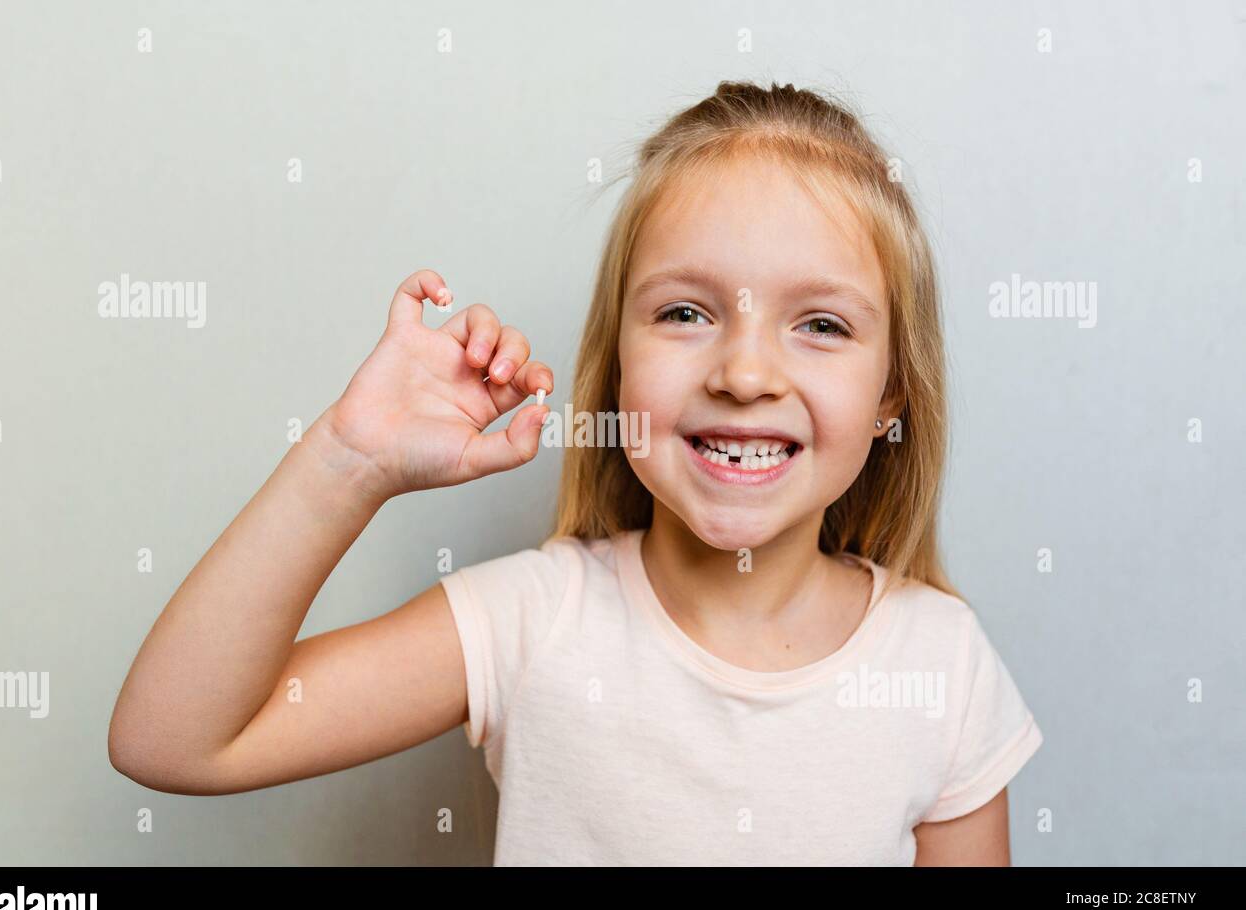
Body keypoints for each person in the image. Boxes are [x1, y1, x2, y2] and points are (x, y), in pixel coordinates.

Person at [108, 80, 1043, 866]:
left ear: (893, 399)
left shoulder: (942, 666)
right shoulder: (535, 621)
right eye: (685, 313)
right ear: (618, 367)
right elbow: (176, 741)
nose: (745, 373)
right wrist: (347, 464)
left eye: (823, 325)